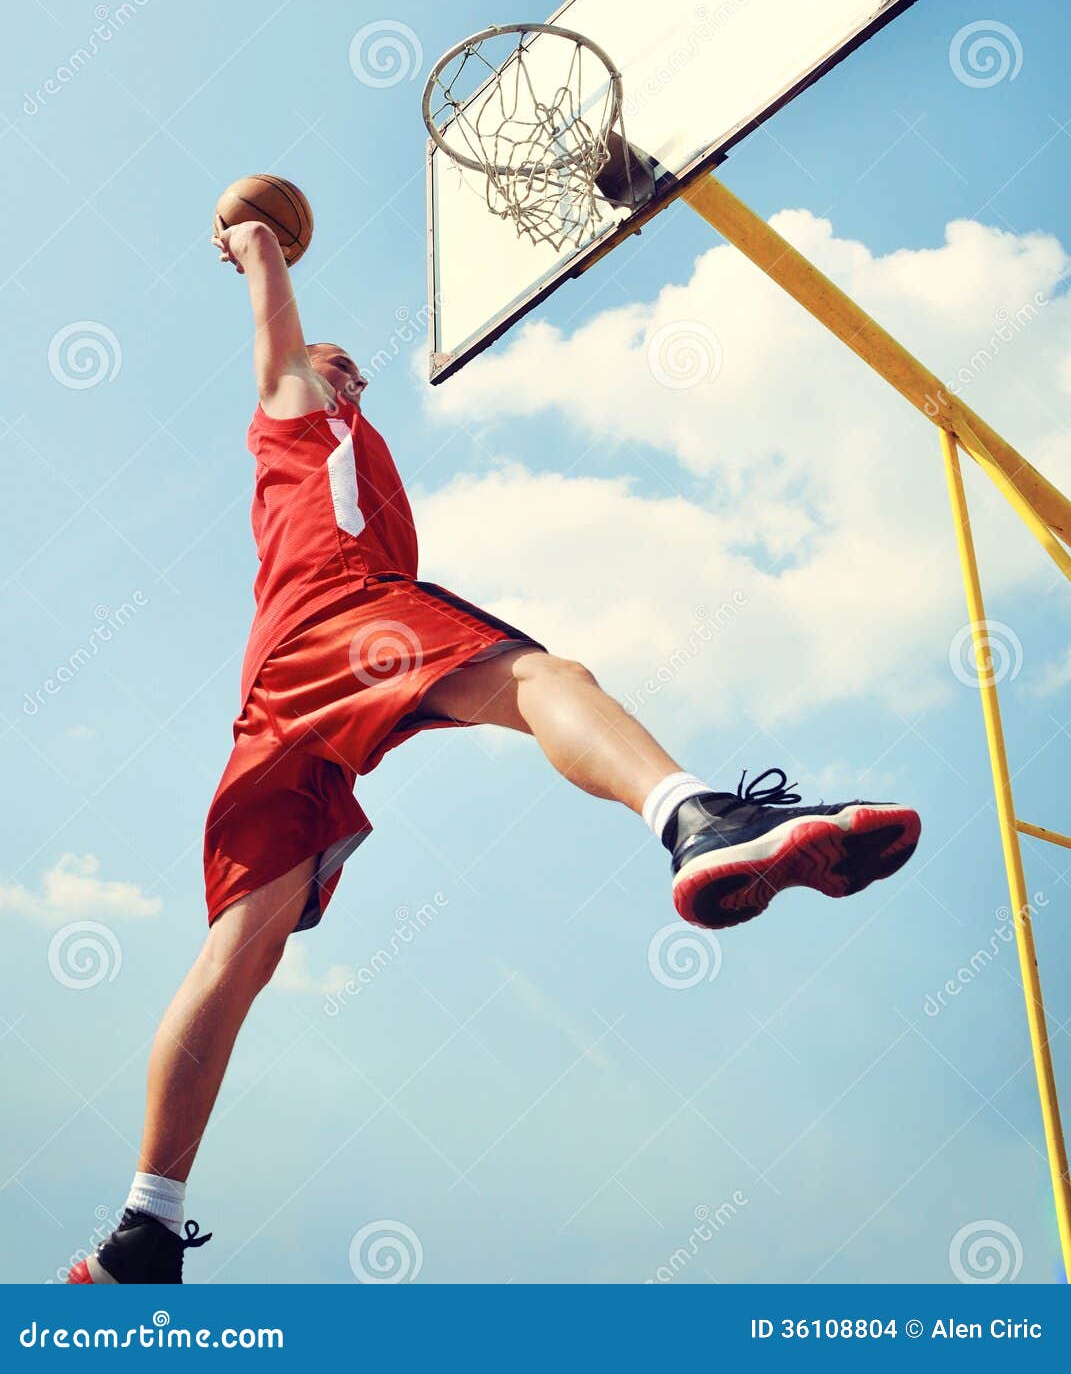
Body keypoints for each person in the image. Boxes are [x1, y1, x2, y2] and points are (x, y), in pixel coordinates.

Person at [67, 215, 920, 1284]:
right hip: (341, 619)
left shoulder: (348, 457)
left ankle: (145, 1223)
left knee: (244, 948)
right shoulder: (292, 412)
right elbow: (275, 323)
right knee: (543, 678)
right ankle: (697, 820)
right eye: (334, 364)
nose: (347, 369)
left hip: (275, 696)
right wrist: (255, 241)